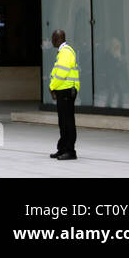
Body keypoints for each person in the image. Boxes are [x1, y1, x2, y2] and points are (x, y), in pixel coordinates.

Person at [49, 29, 80, 160]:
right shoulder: (63, 52)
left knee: (67, 122)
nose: (51, 41)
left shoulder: (66, 52)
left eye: (53, 38)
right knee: (63, 121)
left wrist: (51, 87)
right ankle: (62, 148)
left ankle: (70, 151)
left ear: (58, 39)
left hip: (67, 90)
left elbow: (61, 73)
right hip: (63, 90)